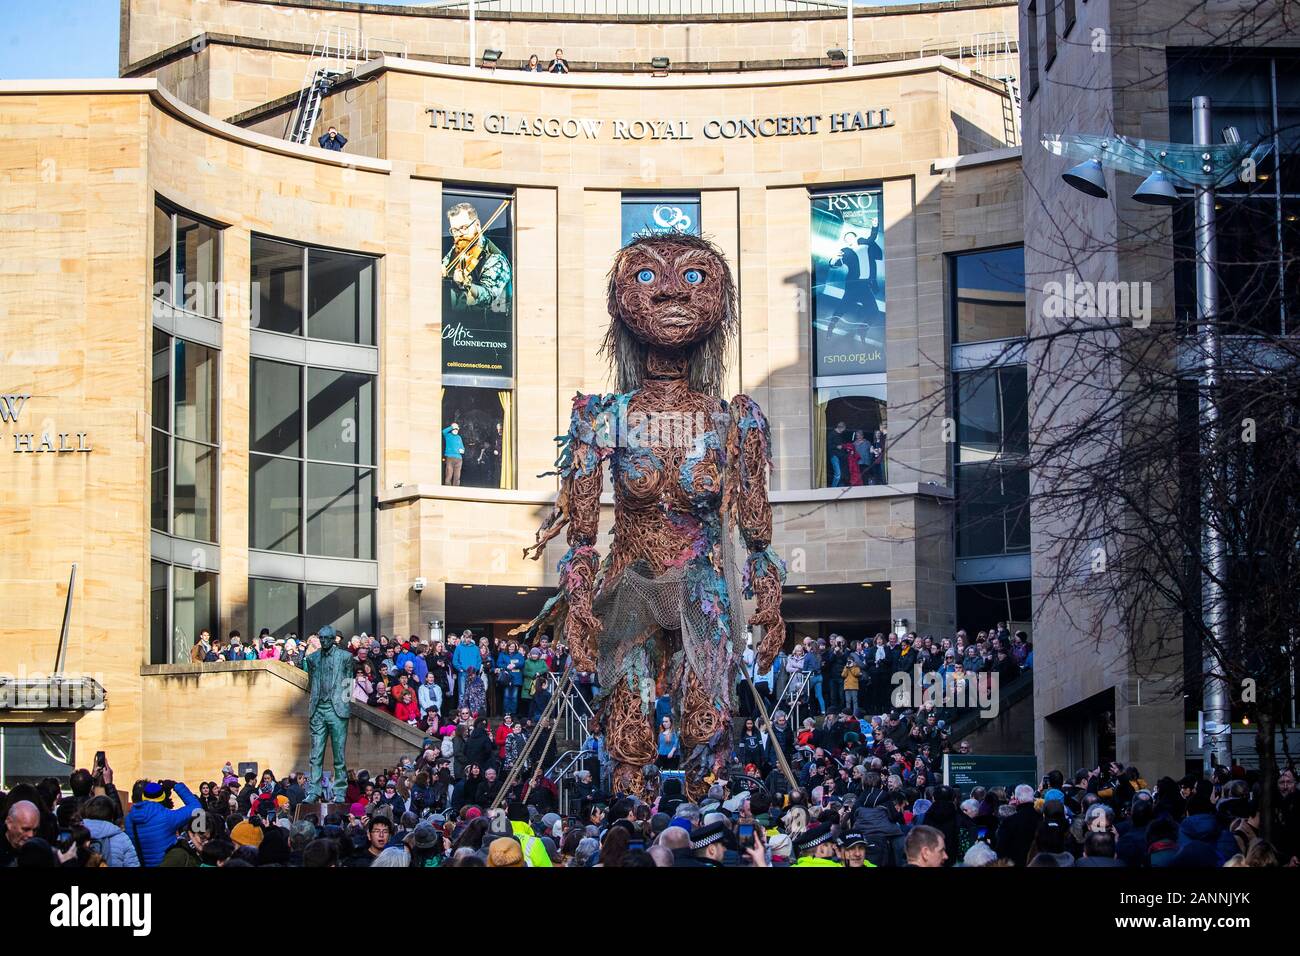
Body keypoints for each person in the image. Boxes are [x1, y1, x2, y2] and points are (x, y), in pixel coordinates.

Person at [124, 780, 202, 867]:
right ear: (163, 797)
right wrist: (176, 785)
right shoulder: (166, 817)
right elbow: (197, 807)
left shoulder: (128, 819)